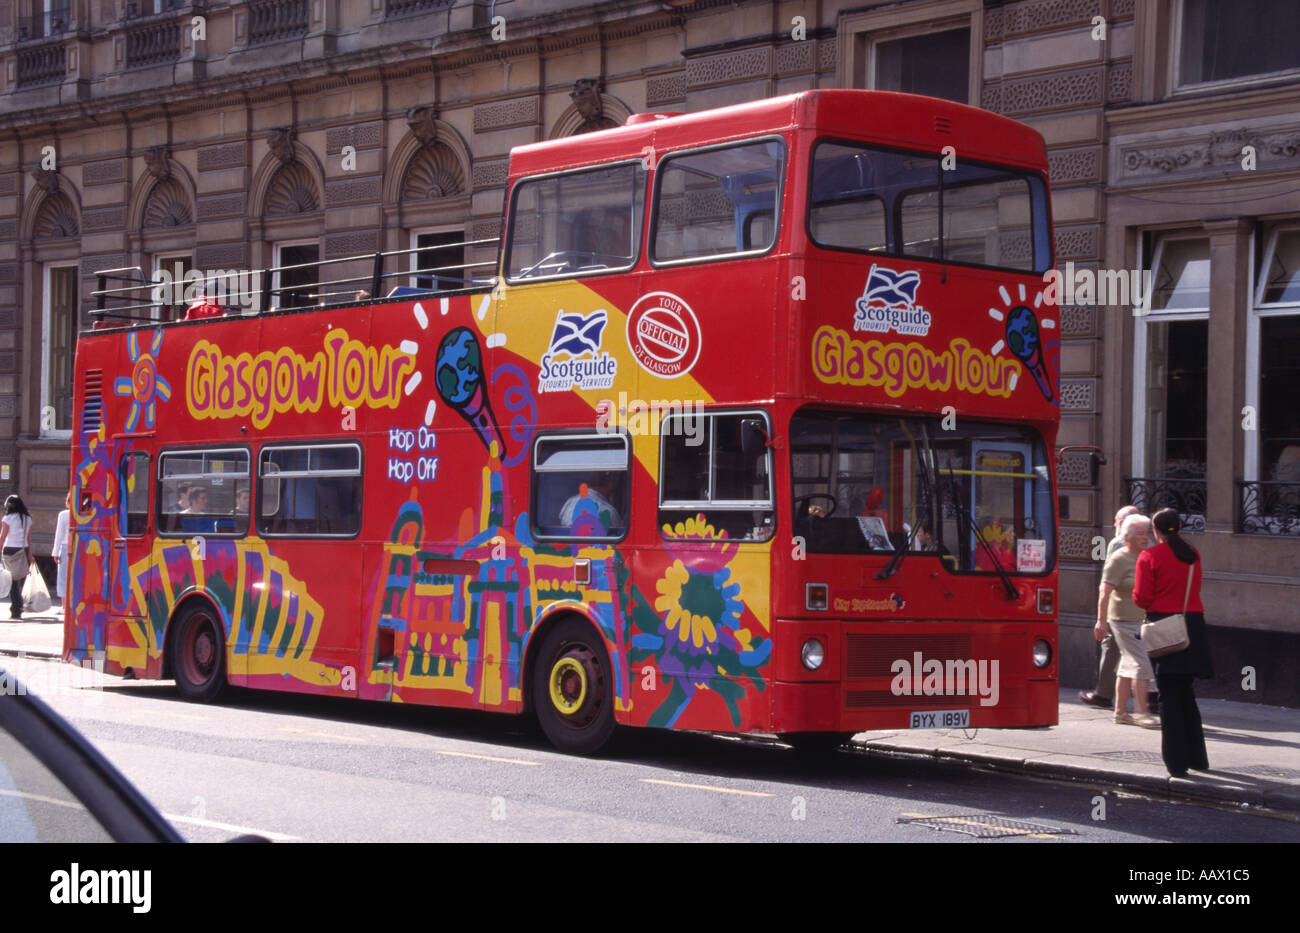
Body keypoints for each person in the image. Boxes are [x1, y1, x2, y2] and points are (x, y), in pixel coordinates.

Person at [1133, 507, 1213, 777]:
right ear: (1178, 528)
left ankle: (1176, 764)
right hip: (1192, 625)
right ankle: (1197, 758)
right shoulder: (1193, 555)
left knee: (1168, 695)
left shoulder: (1149, 556)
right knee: (1186, 694)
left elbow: (1141, 598)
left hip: (1165, 627)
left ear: (1156, 531)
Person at [1099, 513, 1157, 728]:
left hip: (1141, 619)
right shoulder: (1119, 558)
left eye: (1147, 532)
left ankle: (1120, 712)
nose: (1145, 537)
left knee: (1126, 666)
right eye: (1140, 533)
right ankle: (1142, 712)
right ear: (1129, 536)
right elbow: (1104, 591)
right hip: (1122, 619)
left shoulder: (1146, 555)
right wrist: (1100, 621)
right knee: (1141, 664)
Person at [1080, 504, 1140, 709]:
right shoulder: (1149, 542)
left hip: (1119, 609)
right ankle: (1144, 697)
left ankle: (1104, 694)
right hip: (1141, 609)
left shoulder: (1118, 544)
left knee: (1111, 648)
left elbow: (1108, 582)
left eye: (1117, 521)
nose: (1115, 525)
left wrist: (1101, 617)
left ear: (1123, 524)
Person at [0, 494, 35, 619]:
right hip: (23, 550)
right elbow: (29, 539)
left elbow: (3, 537)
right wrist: (30, 554)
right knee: (20, 579)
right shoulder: (28, 519)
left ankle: (16, 607)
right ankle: (19, 604)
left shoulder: (7, 519)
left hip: (10, 550)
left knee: (11, 581)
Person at [52, 490, 71, 608]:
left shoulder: (63, 515)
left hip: (64, 546)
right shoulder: (83, 514)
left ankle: (64, 605)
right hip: (79, 546)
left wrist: (55, 552)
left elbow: (58, 534)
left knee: (63, 577)